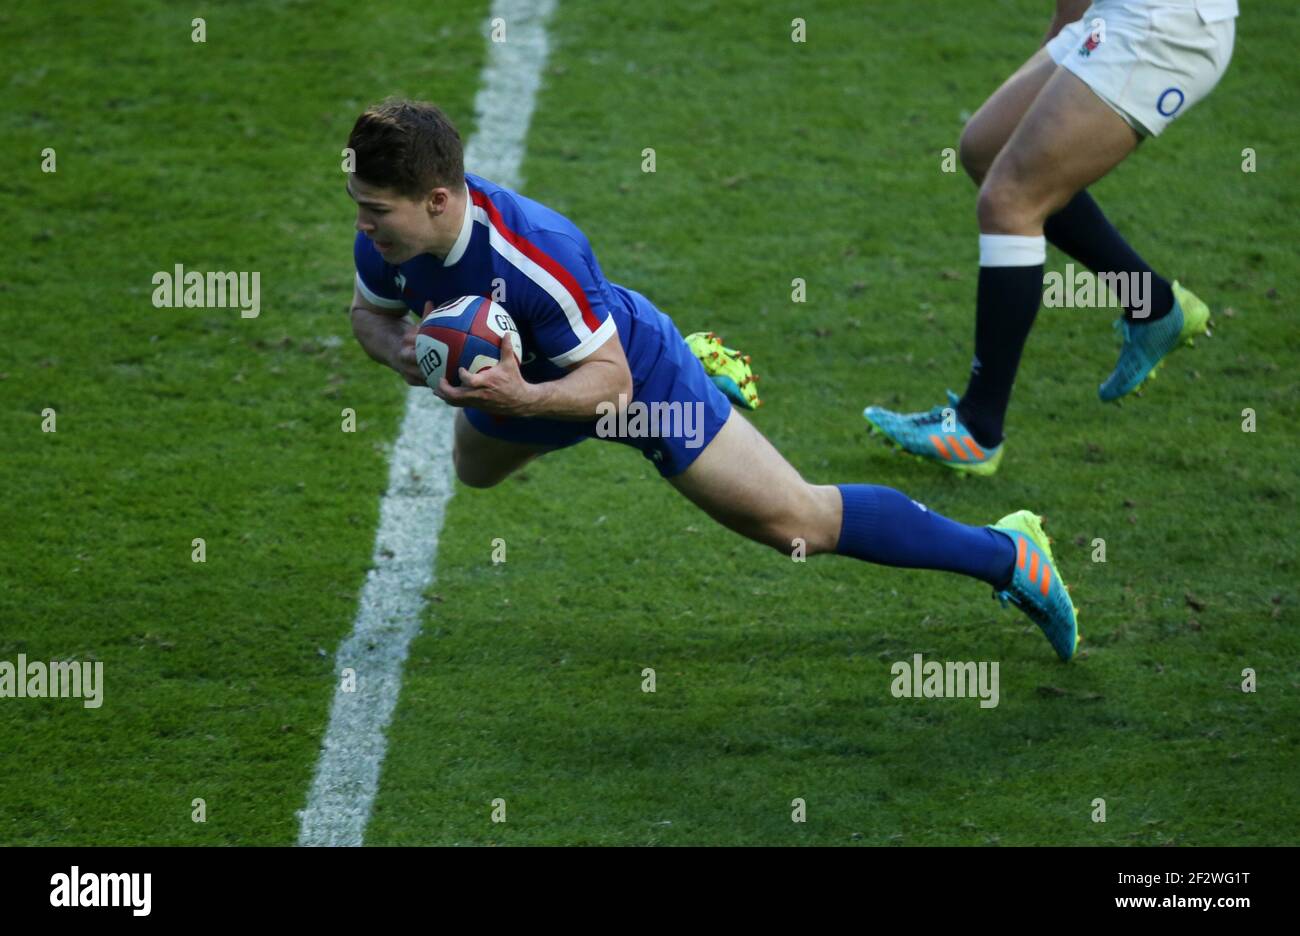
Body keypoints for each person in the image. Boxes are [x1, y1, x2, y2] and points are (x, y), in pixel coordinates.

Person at [345, 99, 1078, 660]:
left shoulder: (537, 255)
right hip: (521, 387)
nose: (364, 226)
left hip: (631, 380)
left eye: (377, 212)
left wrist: (527, 397)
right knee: (473, 471)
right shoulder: (384, 238)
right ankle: (695, 377)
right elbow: (367, 315)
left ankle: (1010, 555)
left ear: (438, 200)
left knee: (796, 524)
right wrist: (397, 352)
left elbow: (612, 389)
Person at [864, 0, 1237, 475]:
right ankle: (1153, 305)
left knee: (1009, 203)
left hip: (1163, 29)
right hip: (1117, 15)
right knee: (988, 147)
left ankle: (978, 427)